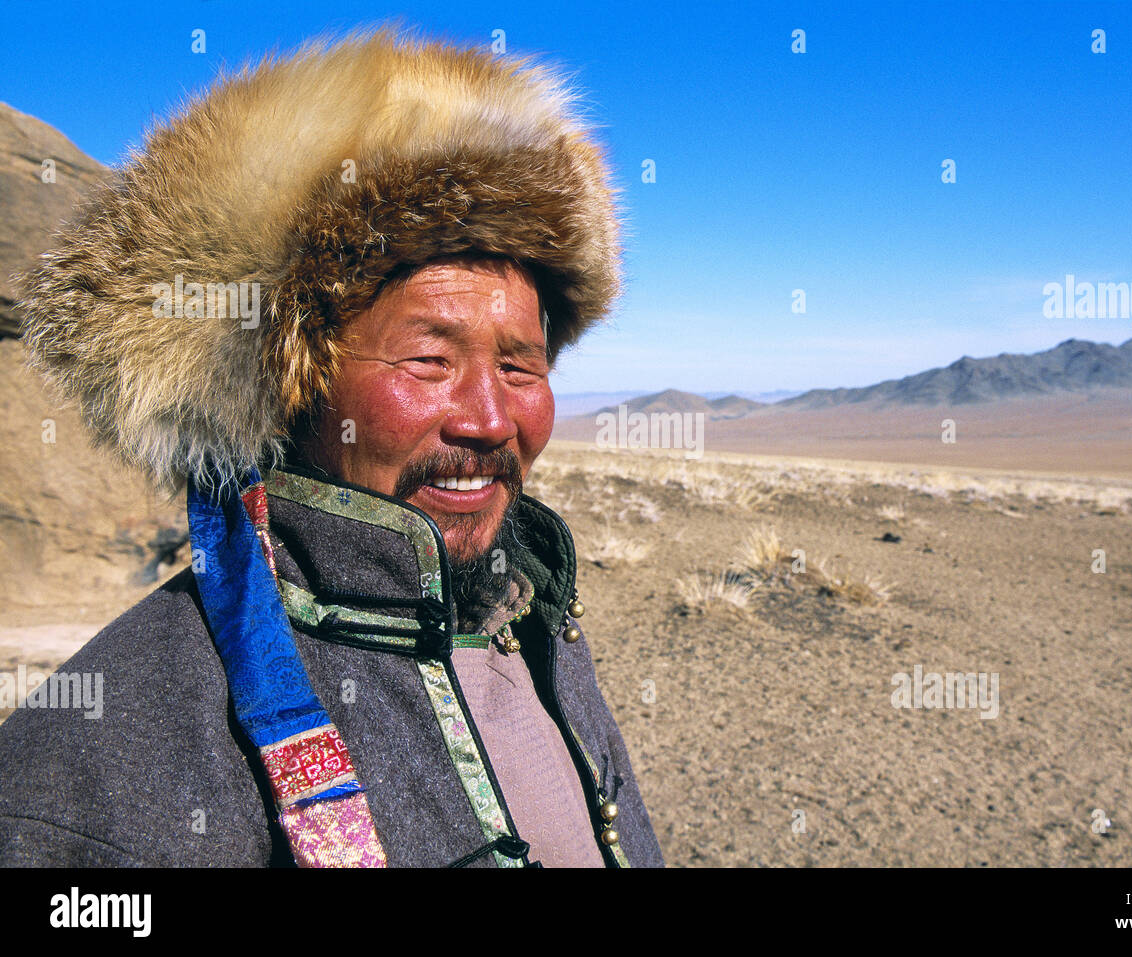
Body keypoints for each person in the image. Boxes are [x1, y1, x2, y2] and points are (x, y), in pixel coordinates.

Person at [0, 30, 663, 868]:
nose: (491, 418)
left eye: (520, 363)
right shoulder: (92, 774)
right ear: (289, 382)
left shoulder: (528, 618)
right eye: (430, 359)